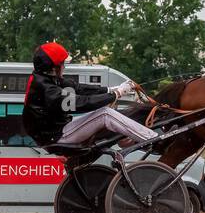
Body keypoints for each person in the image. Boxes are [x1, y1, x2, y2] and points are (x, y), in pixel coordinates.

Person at [21, 41, 154, 149]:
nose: (64, 67)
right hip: (56, 135)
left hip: (57, 130)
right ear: (53, 67)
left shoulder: (45, 79)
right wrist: (116, 94)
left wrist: (110, 89)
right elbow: (81, 103)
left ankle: (126, 141)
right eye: (62, 64)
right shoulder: (47, 88)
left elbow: (79, 88)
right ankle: (153, 139)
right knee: (105, 114)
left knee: (107, 113)